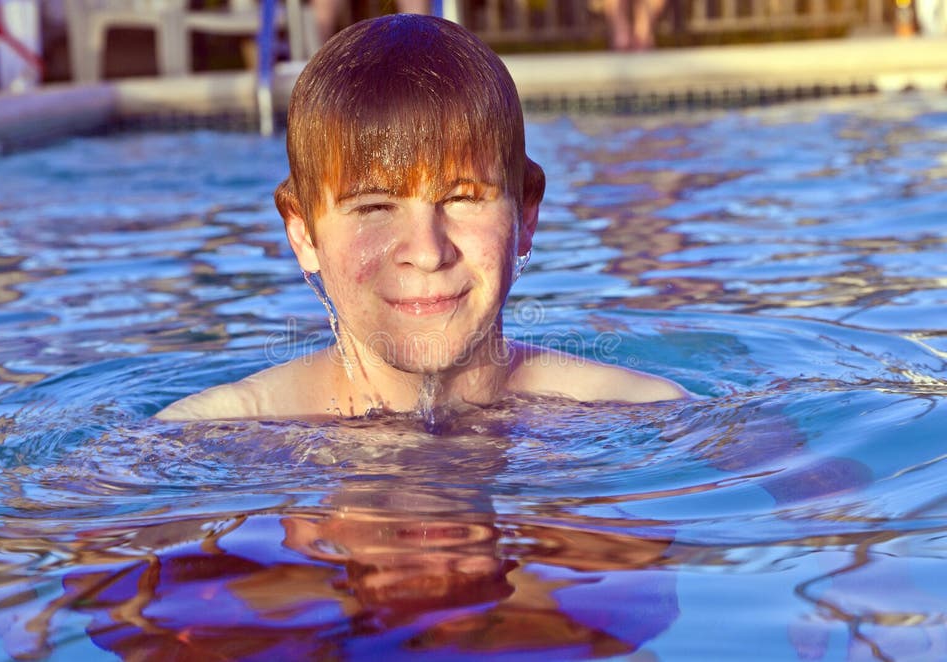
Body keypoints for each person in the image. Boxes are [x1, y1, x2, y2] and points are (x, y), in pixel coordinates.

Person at [157, 13, 688, 422]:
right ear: (302, 232)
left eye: (461, 198)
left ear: (526, 214)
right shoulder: (215, 437)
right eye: (373, 207)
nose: (428, 251)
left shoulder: (646, 413)